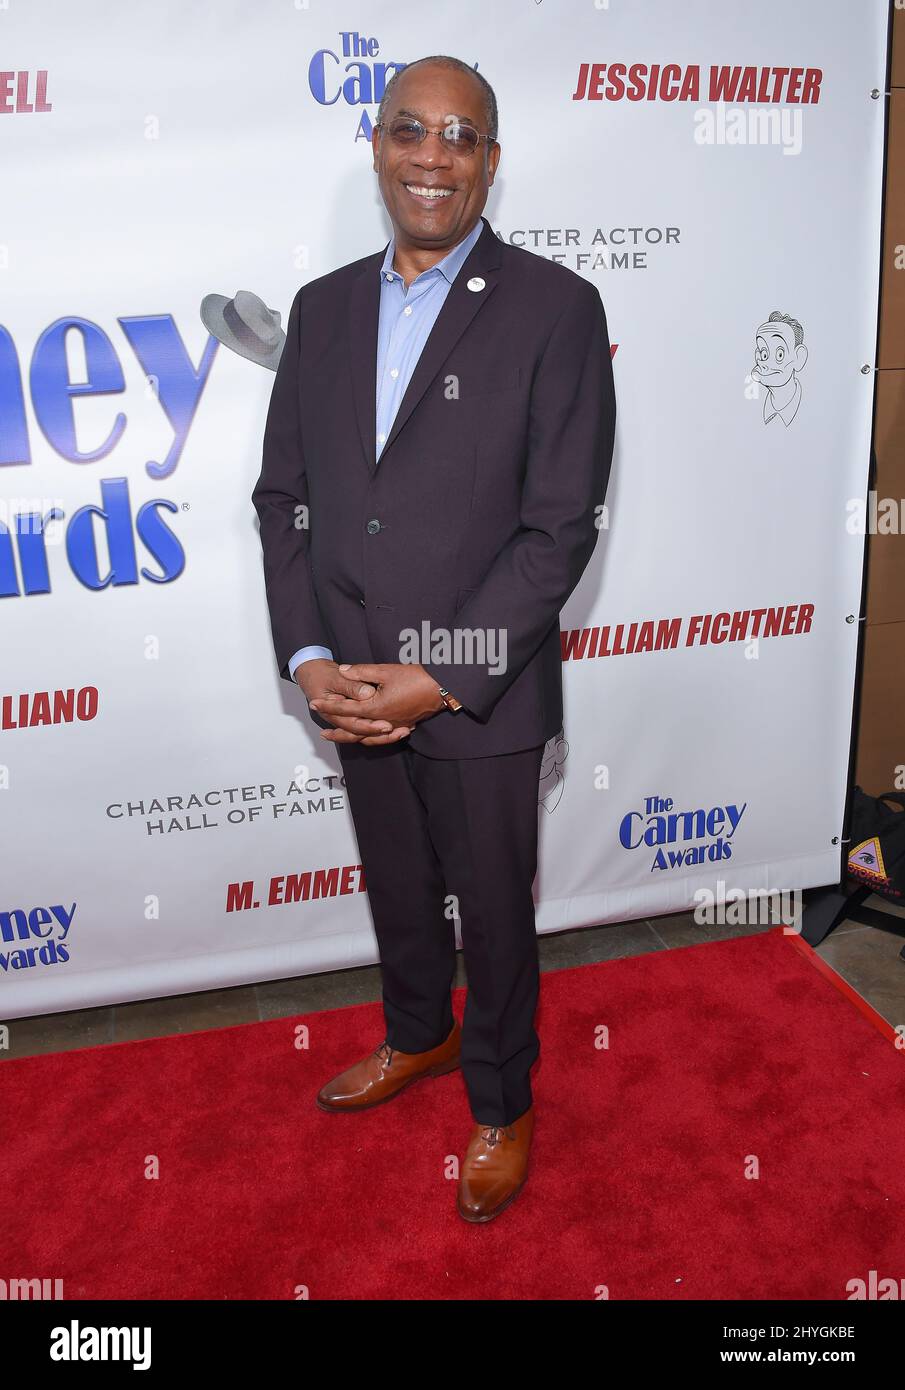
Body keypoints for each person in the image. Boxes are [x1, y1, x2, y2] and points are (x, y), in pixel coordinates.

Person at [252, 54, 616, 1223]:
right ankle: (417, 1035)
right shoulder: (320, 309)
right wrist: (312, 660)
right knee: (399, 887)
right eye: (409, 129)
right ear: (375, 146)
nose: (431, 154)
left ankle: (501, 1101)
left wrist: (436, 678)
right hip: (352, 682)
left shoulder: (557, 309)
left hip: (479, 695)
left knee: (494, 914)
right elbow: (285, 499)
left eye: (459, 137)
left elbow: (556, 530)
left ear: (489, 164)